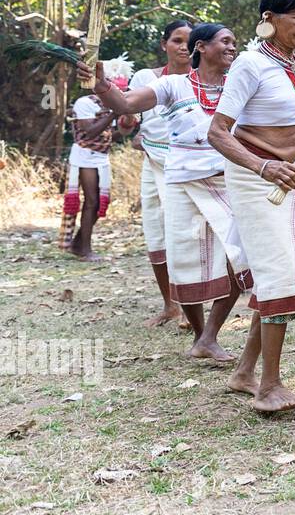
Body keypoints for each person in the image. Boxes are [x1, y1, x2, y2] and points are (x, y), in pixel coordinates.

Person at [82, 25, 251, 360]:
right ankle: (202, 338)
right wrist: (101, 85)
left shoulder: (239, 85)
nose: (233, 47)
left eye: (235, 42)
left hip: (227, 181)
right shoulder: (173, 85)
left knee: (239, 255)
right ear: (201, 47)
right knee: (184, 260)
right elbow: (125, 102)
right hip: (182, 184)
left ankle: (210, 335)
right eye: (226, 41)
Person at [207, 0, 295, 414]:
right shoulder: (250, 63)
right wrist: (263, 167)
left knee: (275, 273)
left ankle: (245, 372)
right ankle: (269, 387)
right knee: (281, 274)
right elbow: (217, 132)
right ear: (269, 18)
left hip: (294, 178)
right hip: (258, 180)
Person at [129, 20, 192, 327]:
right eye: (177, 40)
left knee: (183, 233)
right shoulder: (145, 77)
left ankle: (191, 306)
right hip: (151, 160)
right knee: (155, 232)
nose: (184, 47)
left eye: (189, 41)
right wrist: (129, 127)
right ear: (164, 44)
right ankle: (170, 306)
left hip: (187, 164)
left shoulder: (201, 80)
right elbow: (129, 121)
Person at [63, 56, 134, 260]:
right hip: (84, 156)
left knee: (100, 202)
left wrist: (126, 126)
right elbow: (91, 132)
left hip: (101, 158)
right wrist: (114, 113)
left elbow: (111, 135)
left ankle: (78, 244)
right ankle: (85, 250)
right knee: (92, 201)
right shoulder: (85, 103)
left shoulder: (111, 106)